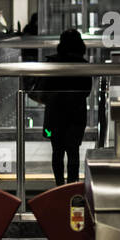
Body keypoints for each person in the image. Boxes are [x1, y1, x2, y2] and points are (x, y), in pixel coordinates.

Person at [35, 29, 92, 186]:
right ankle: (72, 184)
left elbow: (44, 88)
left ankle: (59, 184)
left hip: (55, 113)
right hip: (76, 113)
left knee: (57, 151)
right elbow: (87, 90)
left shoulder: (52, 62)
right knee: (73, 151)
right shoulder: (83, 65)